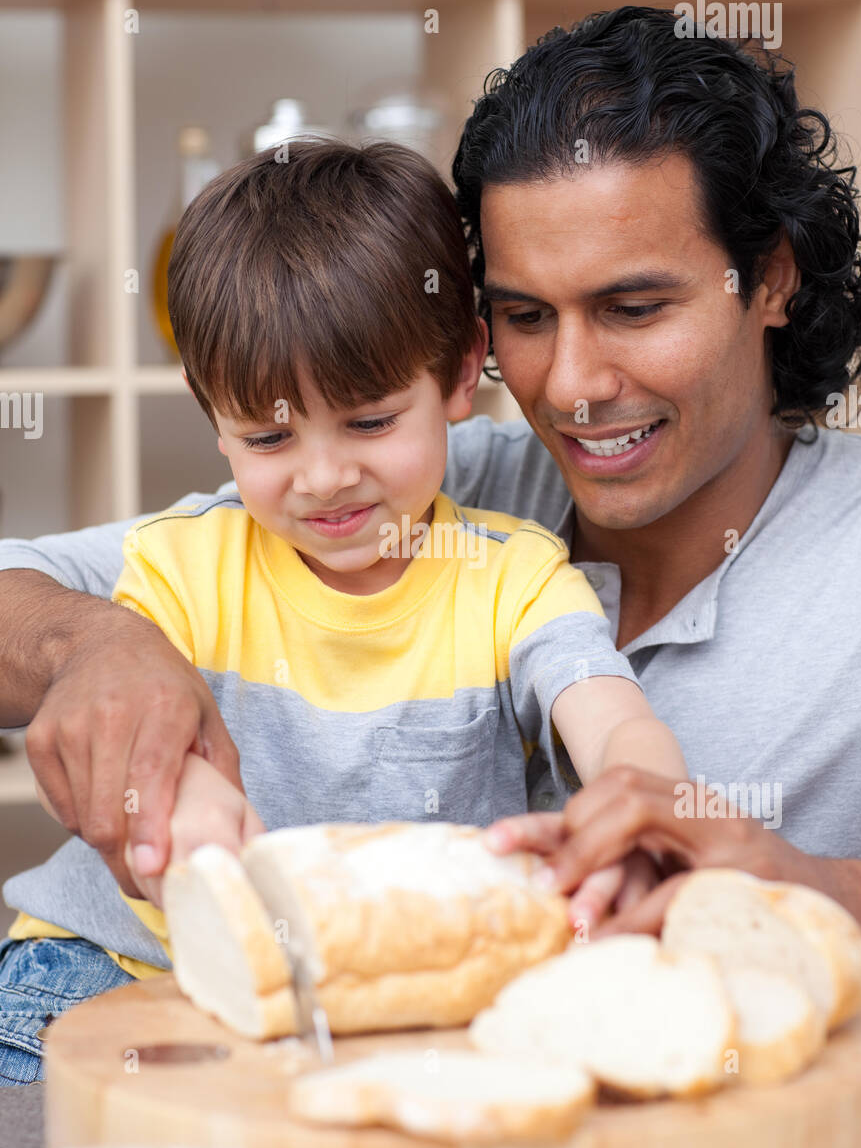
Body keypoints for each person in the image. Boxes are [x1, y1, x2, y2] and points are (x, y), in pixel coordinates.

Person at [1, 4, 861, 968]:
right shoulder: (435, 499)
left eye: (634, 307)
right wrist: (96, 641)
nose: (571, 387)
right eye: (526, 315)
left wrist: (796, 880)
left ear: (772, 279)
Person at [0, 137, 689, 1084]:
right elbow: (142, 750)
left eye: (369, 422)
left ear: (458, 375)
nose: (324, 477)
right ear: (214, 419)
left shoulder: (515, 576)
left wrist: (634, 798)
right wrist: (177, 801)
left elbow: (613, 720)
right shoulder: (182, 564)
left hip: (372, 1004)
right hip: (106, 975)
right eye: (270, 435)